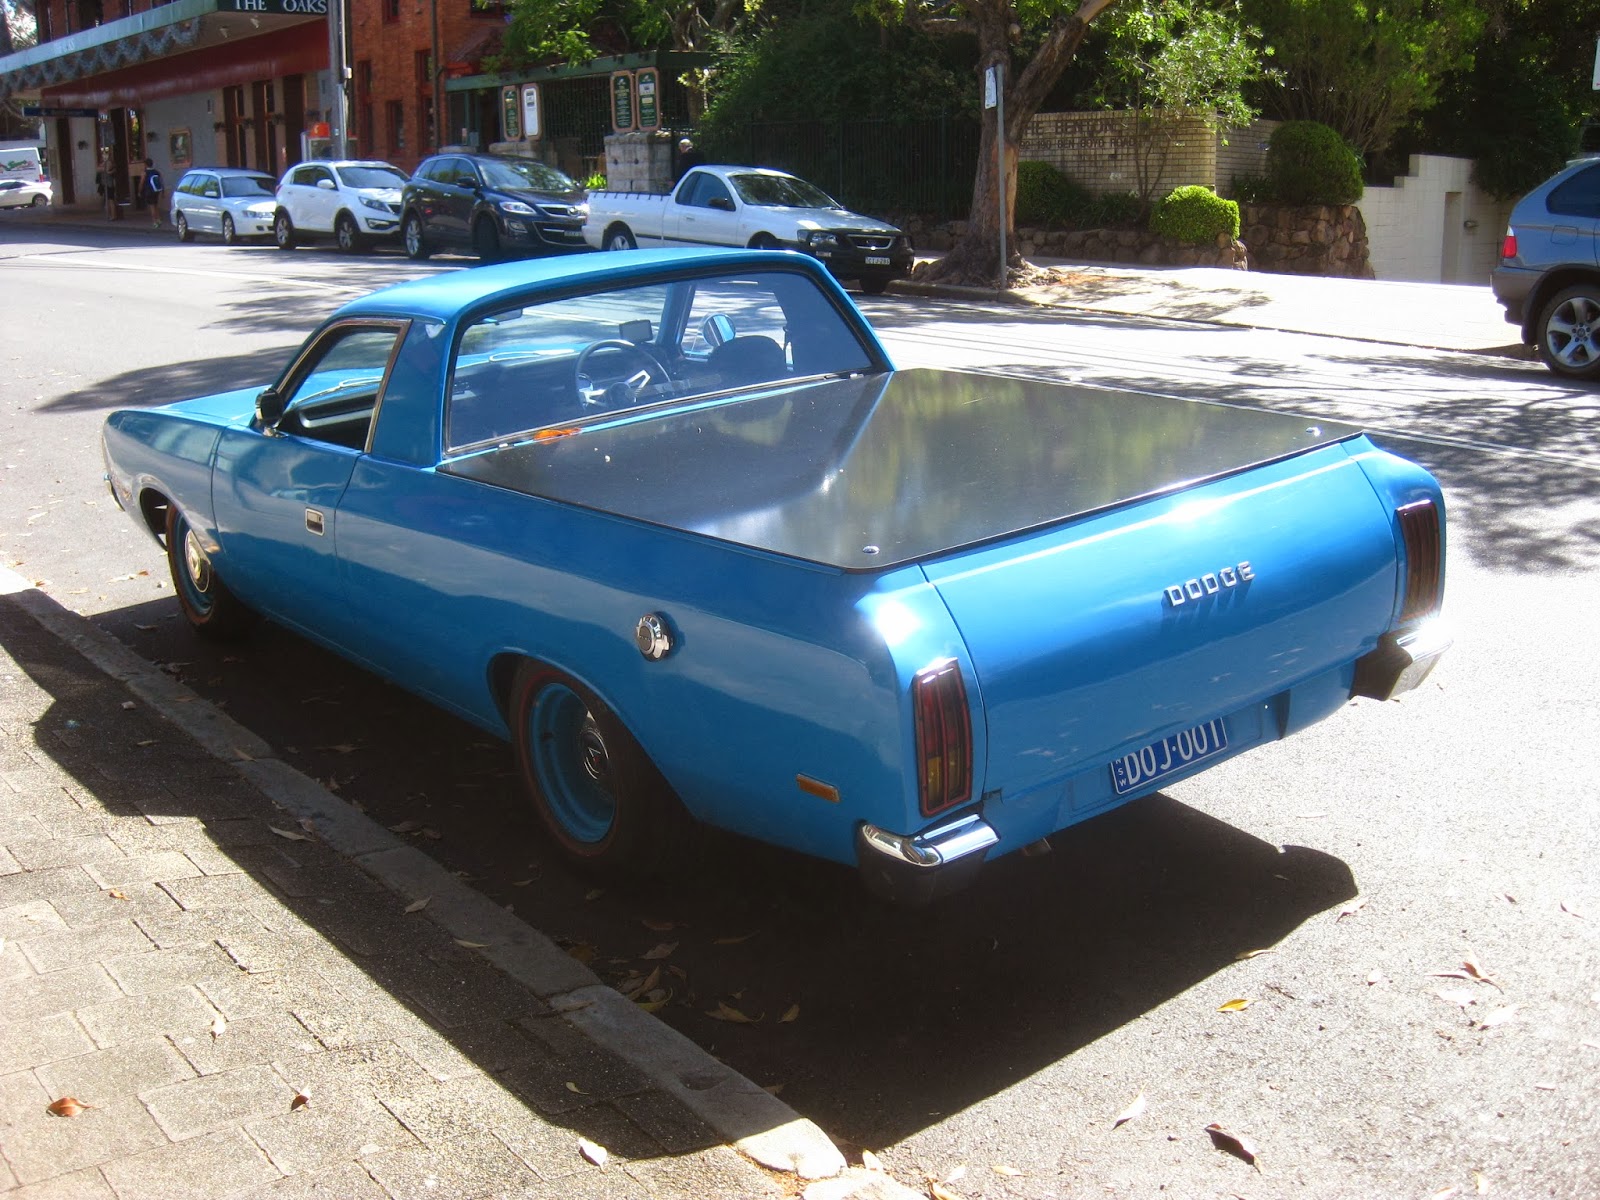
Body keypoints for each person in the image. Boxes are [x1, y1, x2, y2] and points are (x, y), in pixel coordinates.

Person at [141, 158, 164, 228]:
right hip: (156, 191)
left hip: (149, 191)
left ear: (145, 165)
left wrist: (139, 191)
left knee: (152, 207)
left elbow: (141, 182)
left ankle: (154, 222)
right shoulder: (157, 172)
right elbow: (161, 182)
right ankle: (159, 219)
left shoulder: (145, 172)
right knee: (156, 205)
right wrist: (163, 191)